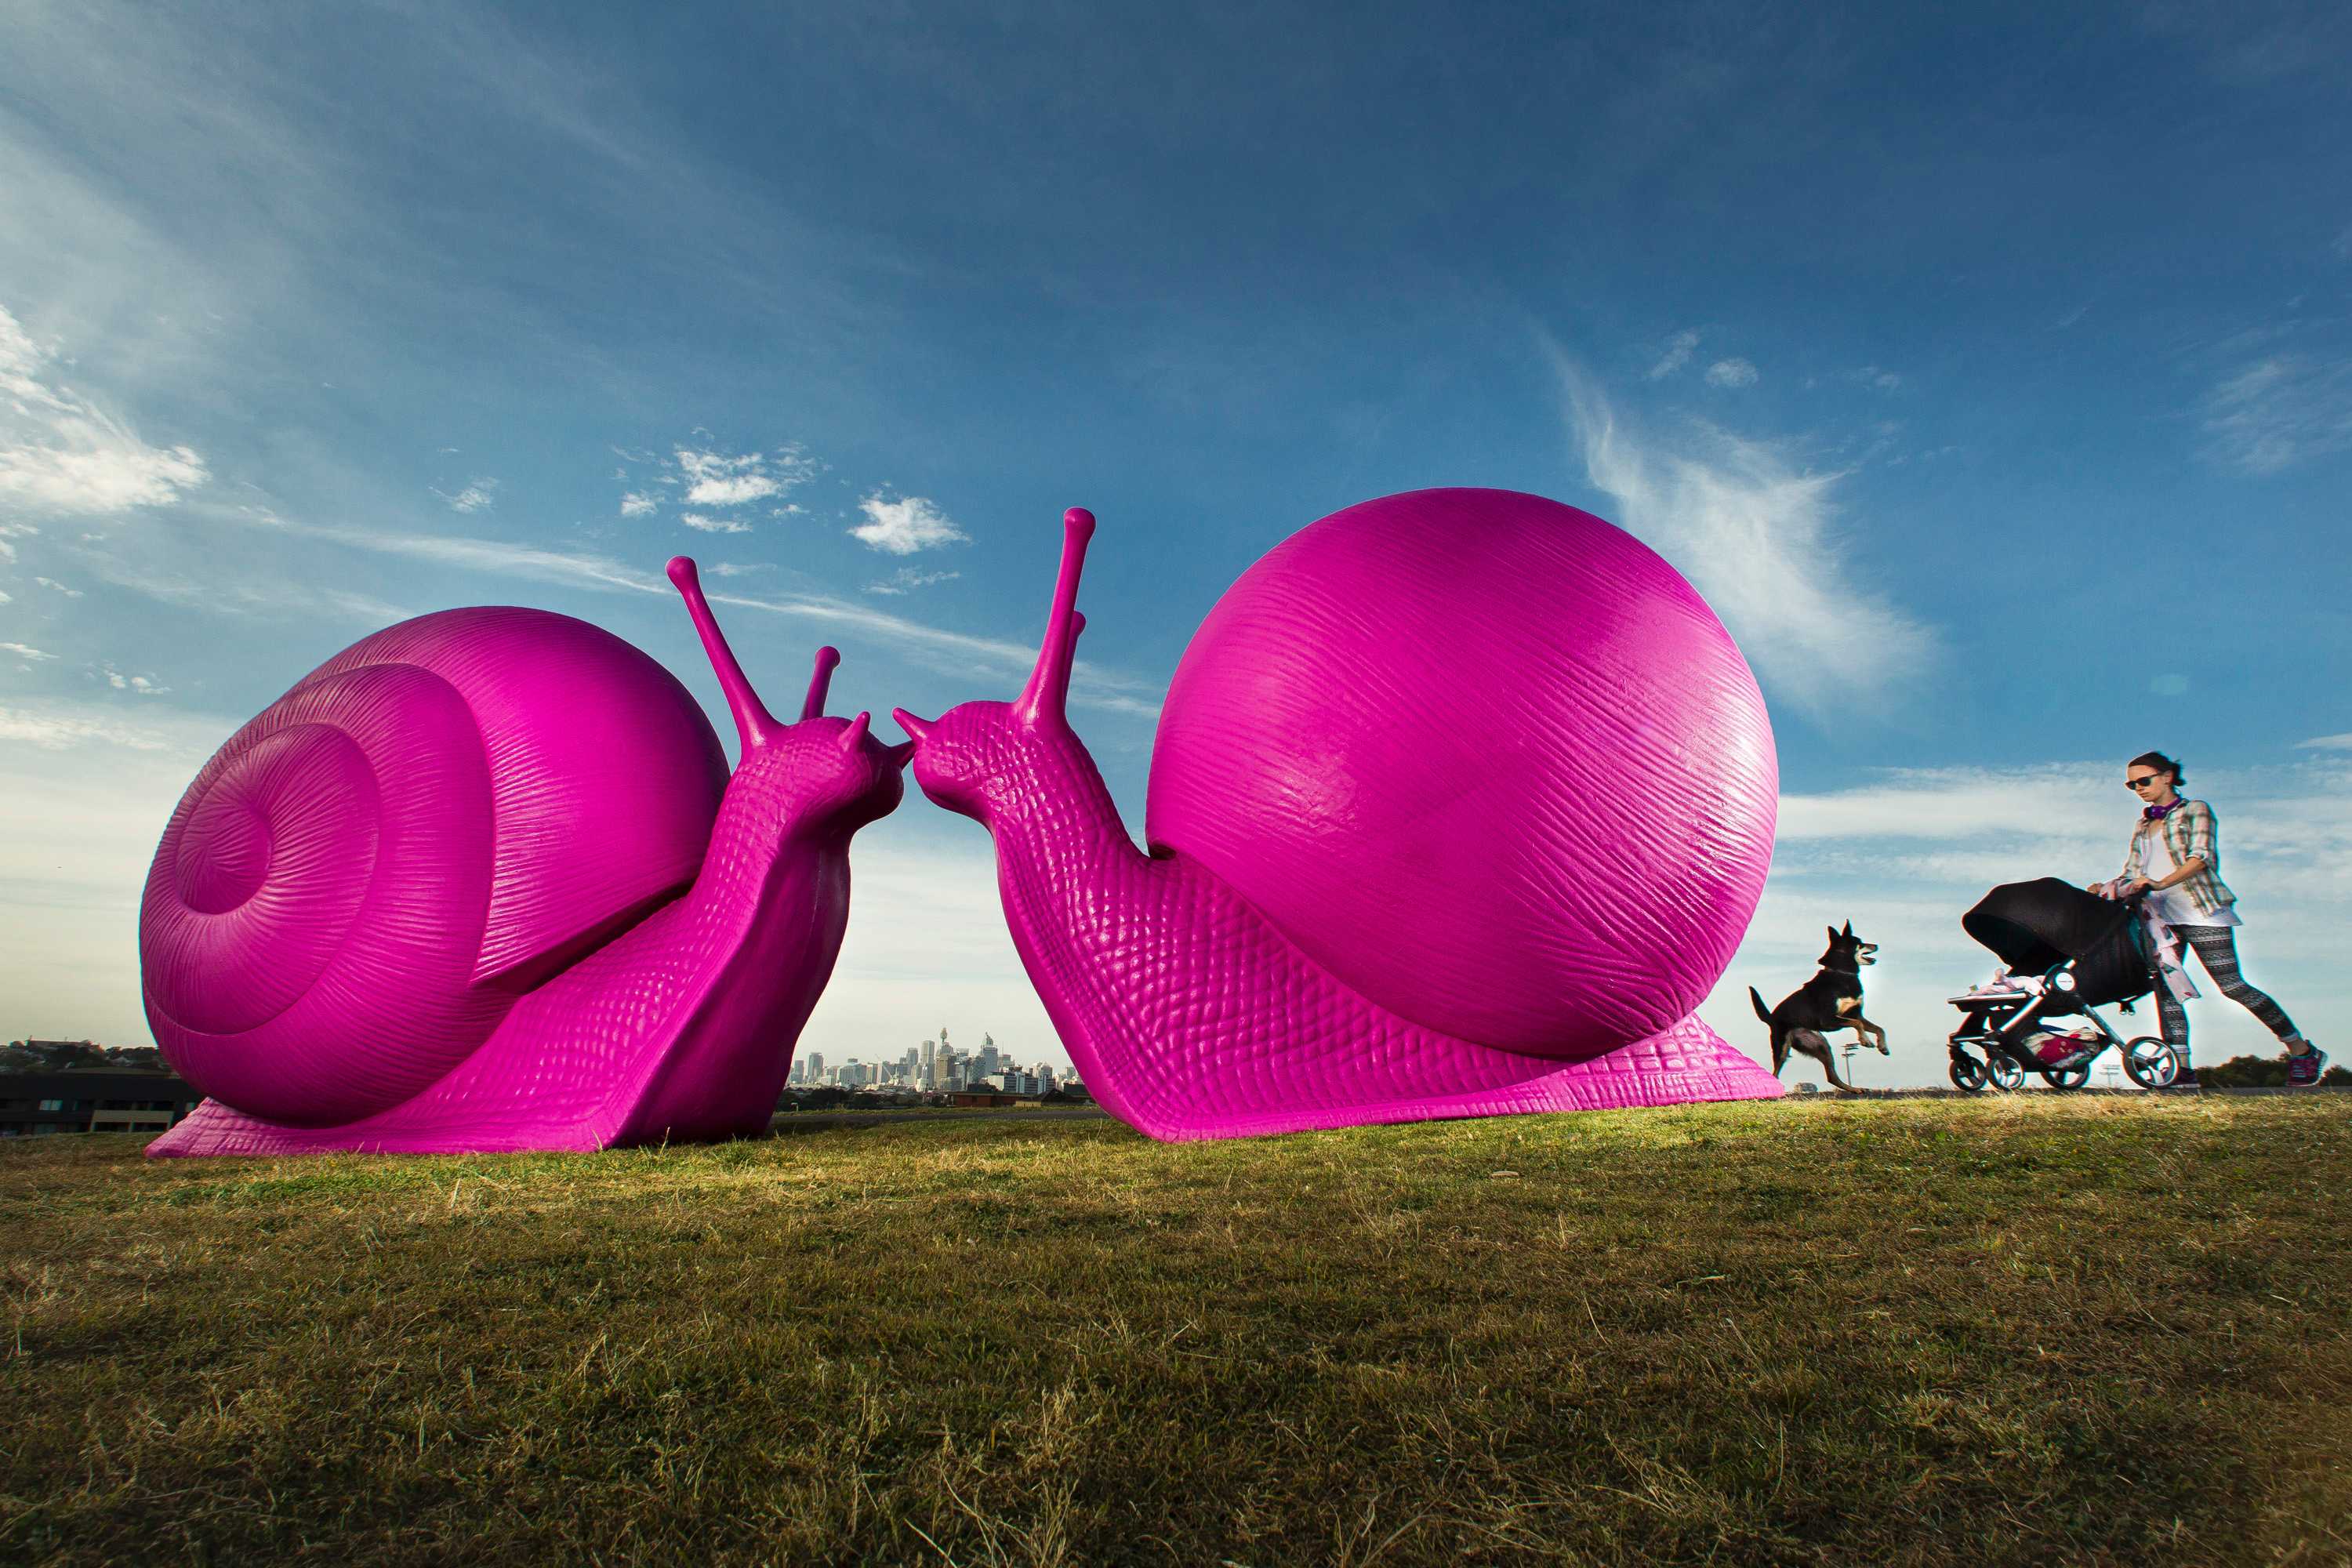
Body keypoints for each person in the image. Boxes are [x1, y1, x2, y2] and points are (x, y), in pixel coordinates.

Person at [2094, 750, 2325, 1087]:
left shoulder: (2194, 810)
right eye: (2132, 785)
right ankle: (2181, 1069)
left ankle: (2301, 1050)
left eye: (2144, 781)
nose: (2138, 789)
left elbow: (2201, 858)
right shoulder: (2143, 824)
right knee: (2167, 991)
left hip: (2200, 911)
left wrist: (2161, 883)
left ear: (2167, 777)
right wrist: (2108, 887)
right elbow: (2132, 871)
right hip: (2160, 918)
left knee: (2233, 986)